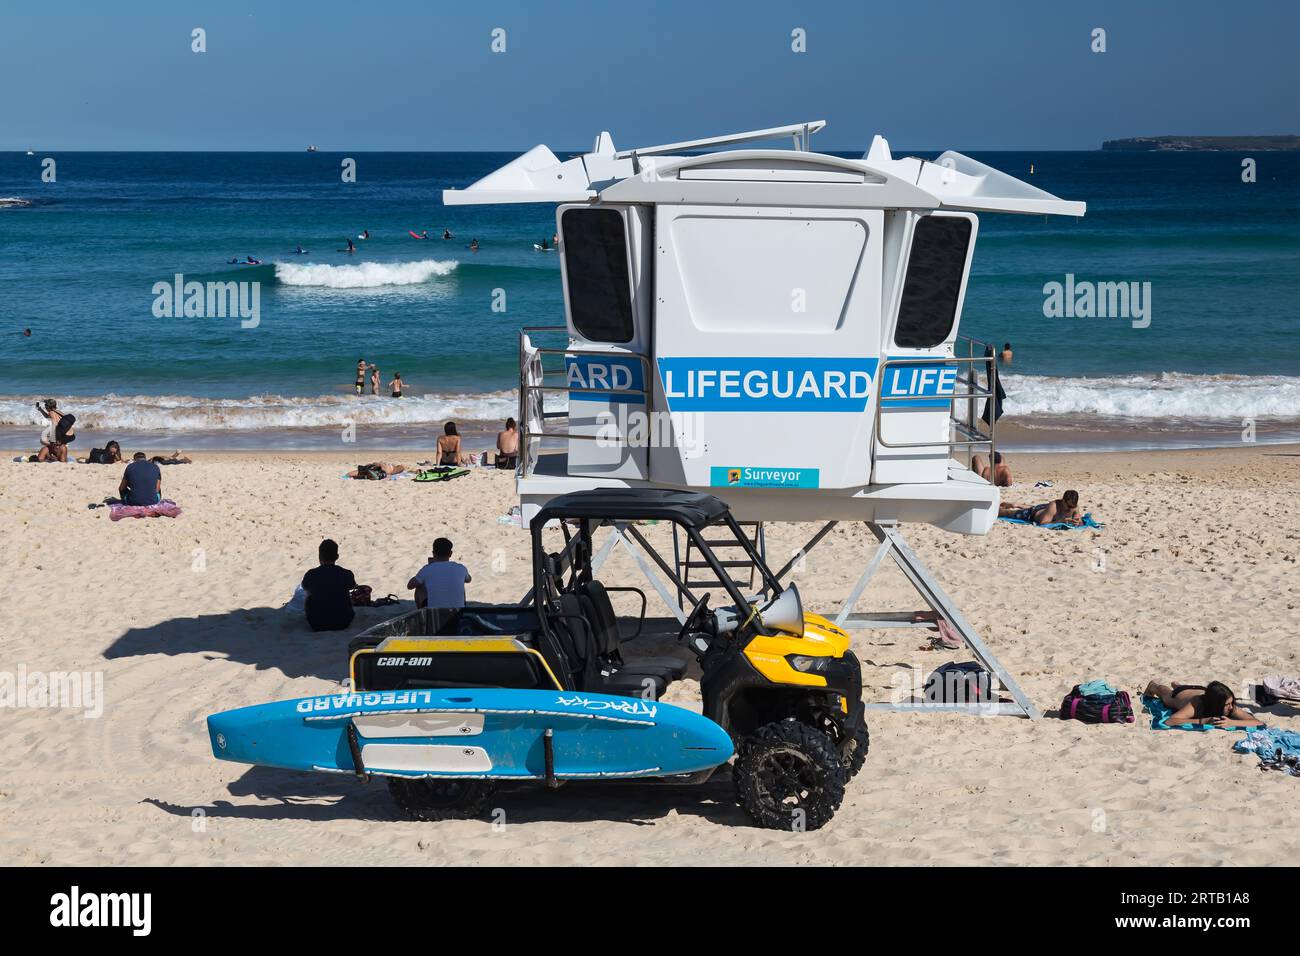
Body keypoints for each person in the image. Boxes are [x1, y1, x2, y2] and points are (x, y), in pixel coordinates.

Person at [1144, 680, 1262, 728]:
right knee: (1167, 697)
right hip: (1183, 696)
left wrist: (1232, 722)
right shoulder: (1196, 704)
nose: (1231, 707)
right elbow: (1170, 721)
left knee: (1184, 689)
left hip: (1202, 690)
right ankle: (1155, 685)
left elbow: (1257, 722)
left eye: (1231, 703)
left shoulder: (1228, 703)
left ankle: (1178, 684)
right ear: (1217, 704)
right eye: (1227, 705)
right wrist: (1201, 721)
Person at [301, 539, 358, 632]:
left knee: (308, 594)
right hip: (343, 622)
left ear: (320, 557)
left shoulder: (311, 574)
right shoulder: (346, 573)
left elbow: (305, 587)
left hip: (316, 623)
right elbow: (352, 586)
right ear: (337, 557)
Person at [407, 537, 471, 609]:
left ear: (433, 553)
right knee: (461, 581)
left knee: (419, 586)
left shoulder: (427, 569)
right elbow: (468, 579)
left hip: (434, 614)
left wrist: (423, 576)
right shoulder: (460, 568)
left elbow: (410, 586)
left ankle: (422, 614)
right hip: (458, 613)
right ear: (450, 554)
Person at [998, 490, 1081, 525]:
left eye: (1072, 506)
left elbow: (1080, 523)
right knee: (1008, 513)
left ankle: (1017, 505)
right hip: (1033, 513)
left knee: (1043, 509)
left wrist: (1078, 523)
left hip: (1045, 509)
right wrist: (1060, 521)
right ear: (1063, 501)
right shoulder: (1054, 506)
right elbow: (1042, 523)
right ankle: (1010, 507)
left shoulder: (1074, 507)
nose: (1070, 508)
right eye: (1069, 506)